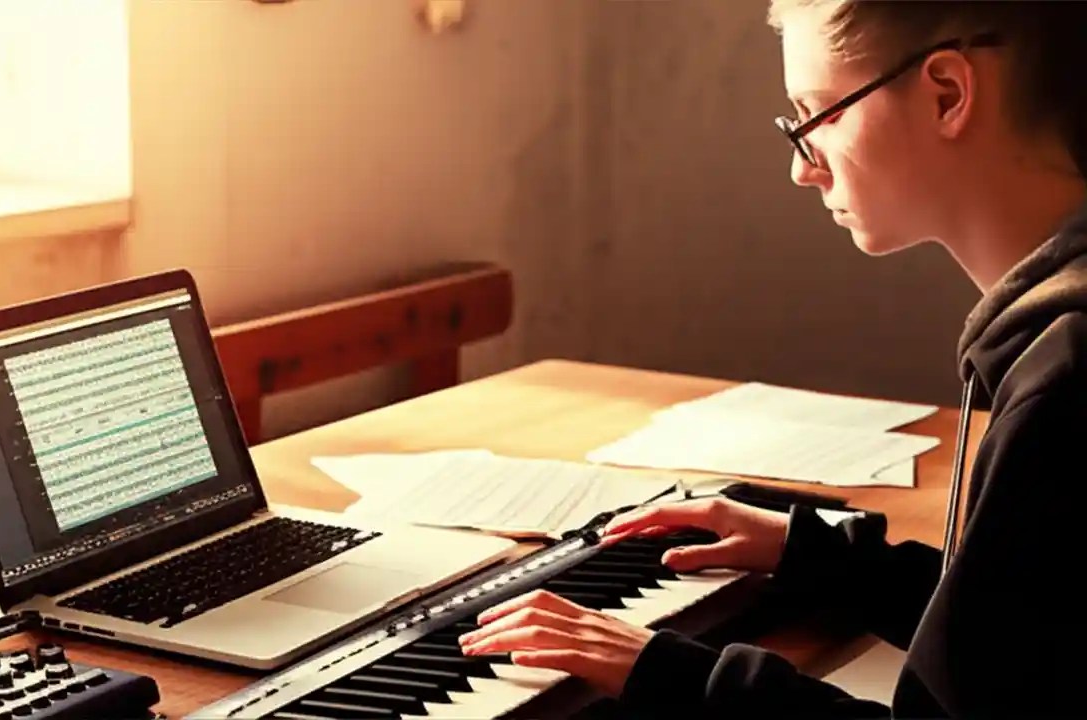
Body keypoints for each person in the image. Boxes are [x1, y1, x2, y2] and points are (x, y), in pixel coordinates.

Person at [457, 1, 1087, 717]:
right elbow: (1031, 631)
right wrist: (818, 555)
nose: (801, 167)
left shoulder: (1062, 385)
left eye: (817, 116)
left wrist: (664, 672)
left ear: (948, 93)